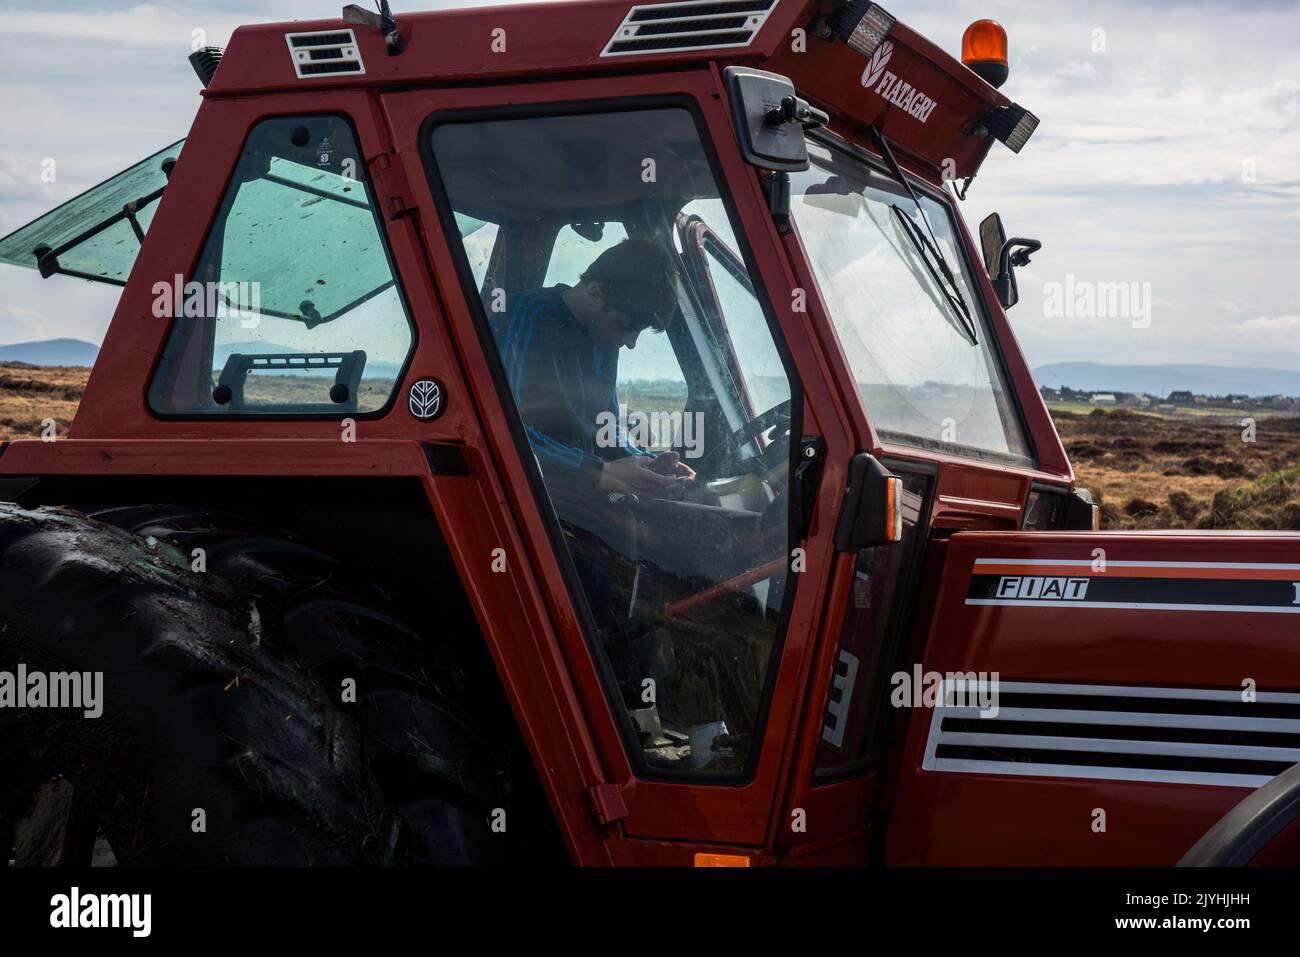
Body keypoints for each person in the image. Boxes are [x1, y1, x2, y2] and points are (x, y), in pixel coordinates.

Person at [490, 237, 696, 497]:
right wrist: (599, 472)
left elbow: (605, 427)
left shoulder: (603, 335)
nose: (630, 343)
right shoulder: (523, 317)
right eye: (625, 326)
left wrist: (648, 465)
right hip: (530, 494)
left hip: (577, 491)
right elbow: (502, 432)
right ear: (595, 294)